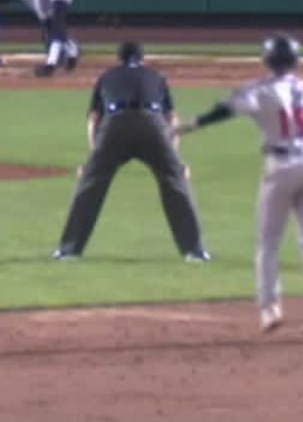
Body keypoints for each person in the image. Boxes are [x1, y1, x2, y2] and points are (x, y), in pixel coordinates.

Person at [176, 34, 303, 336]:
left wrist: (191, 125)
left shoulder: (260, 89)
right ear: (296, 61)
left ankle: (270, 309)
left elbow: (227, 110)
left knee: (269, 242)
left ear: (267, 60)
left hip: (281, 167)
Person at [53, 41, 210, 262]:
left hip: (115, 126)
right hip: (152, 125)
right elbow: (172, 119)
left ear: (119, 59)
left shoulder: (107, 76)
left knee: (91, 184)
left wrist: (93, 161)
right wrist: (175, 161)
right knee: (175, 182)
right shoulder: (156, 76)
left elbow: (94, 120)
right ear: (142, 59)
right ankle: (194, 251)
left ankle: (69, 250)